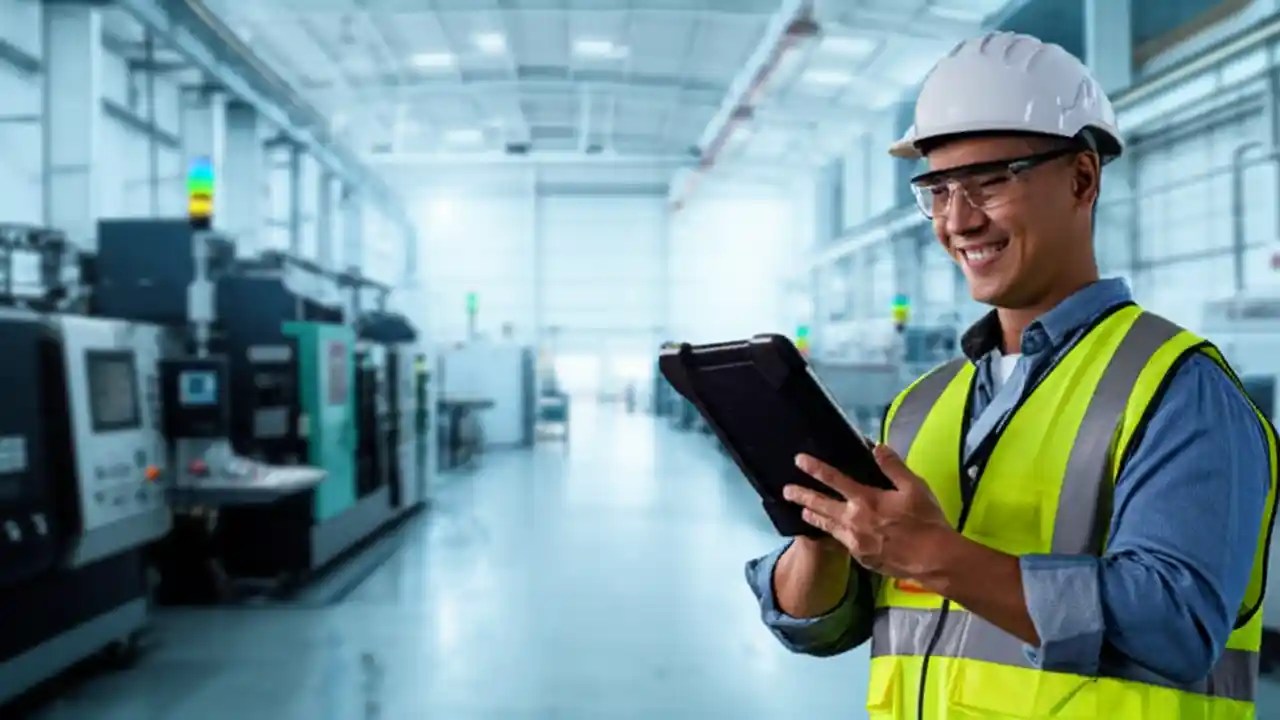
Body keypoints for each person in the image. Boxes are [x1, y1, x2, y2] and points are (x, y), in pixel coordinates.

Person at [745, 31, 1279, 719]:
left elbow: (1177, 625)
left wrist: (935, 554)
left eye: (990, 183)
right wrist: (822, 532)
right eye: (936, 190)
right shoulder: (920, 405)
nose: (958, 221)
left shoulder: (1178, 387)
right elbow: (820, 626)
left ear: (1083, 179)